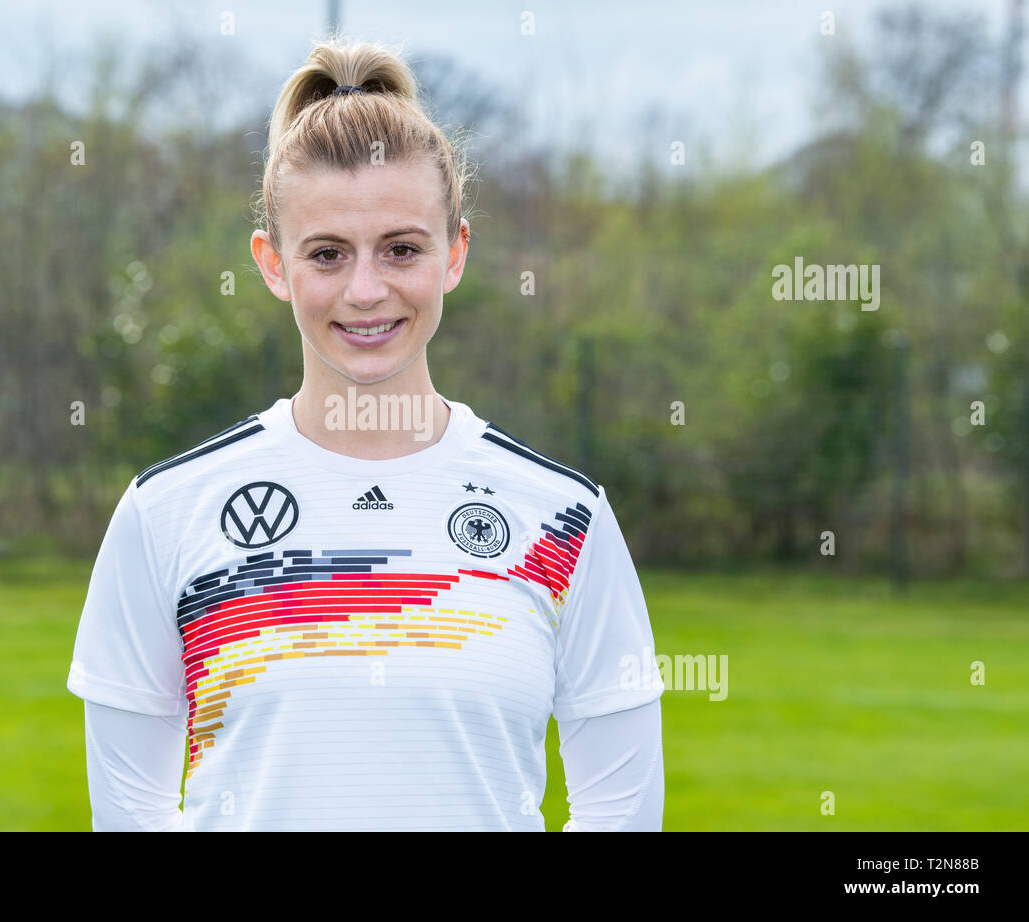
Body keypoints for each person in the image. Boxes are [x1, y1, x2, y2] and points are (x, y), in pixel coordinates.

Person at [67, 37, 665, 831]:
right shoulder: (167, 511)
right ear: (273, 264)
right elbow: (131, 810)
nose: (365, 290)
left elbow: (618, 808)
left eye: (402, 249)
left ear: (454, 252)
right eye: (326, 254)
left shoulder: (564, 518)